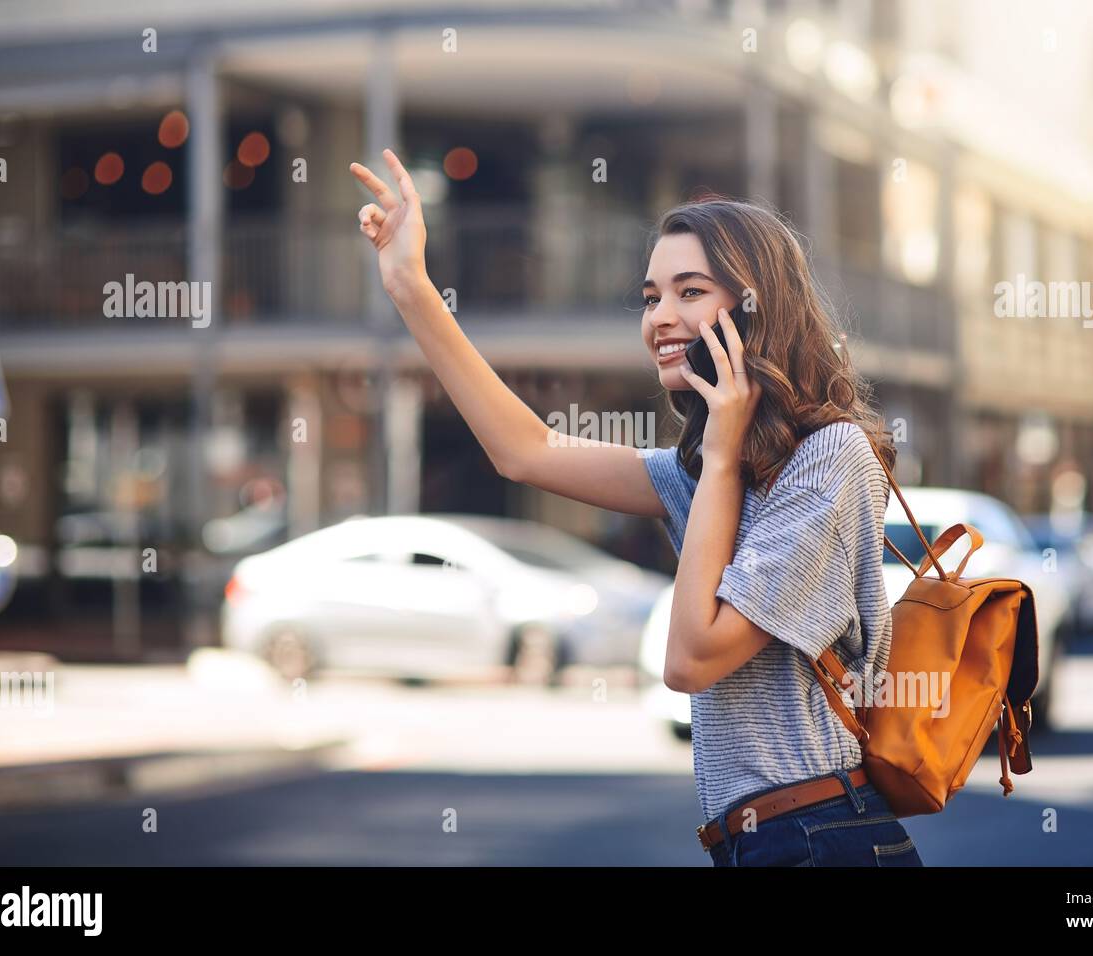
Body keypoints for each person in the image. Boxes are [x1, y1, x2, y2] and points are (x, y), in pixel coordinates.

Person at [349, 150, 923, 867]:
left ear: (756, 306)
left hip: (816, 835)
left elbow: (689, 660)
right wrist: (410, 284)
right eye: (652, 297)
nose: (660, 317)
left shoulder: (826, 458)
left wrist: (717, 459)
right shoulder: (712, 471)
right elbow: (525, 451)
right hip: (763, 842)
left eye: (690, 291)